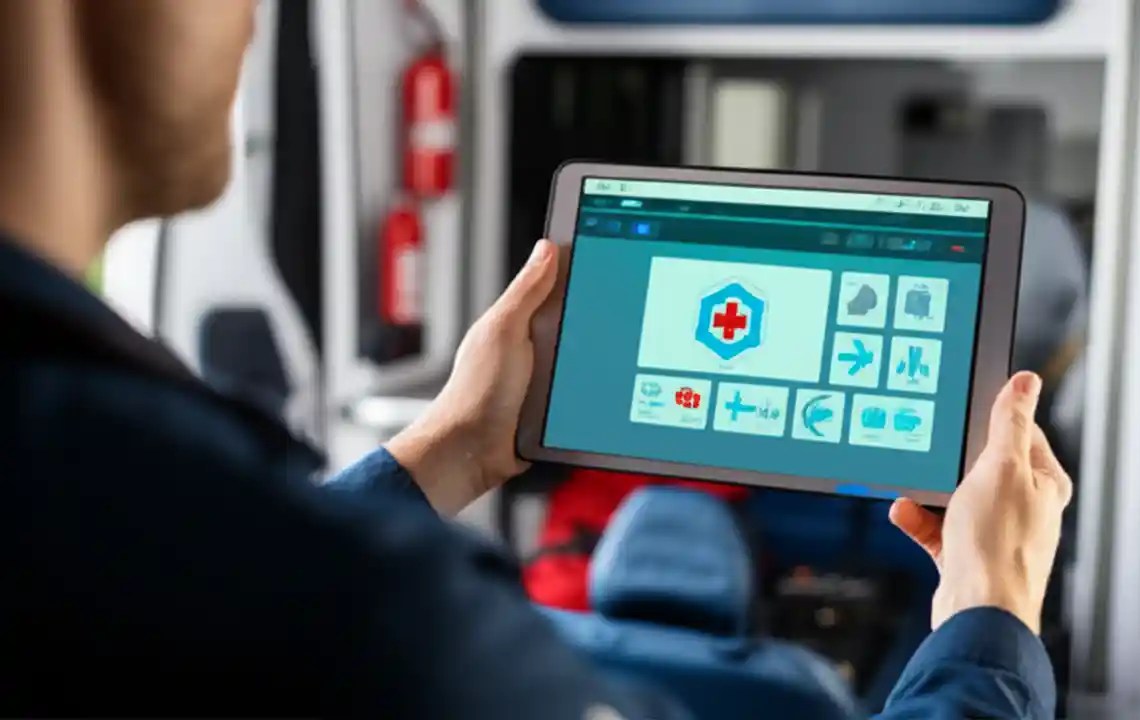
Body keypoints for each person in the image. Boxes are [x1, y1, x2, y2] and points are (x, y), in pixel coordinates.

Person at [0, 2, 1073, 718]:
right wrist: (991, 614)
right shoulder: (381, 624)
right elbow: (286, 599)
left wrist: (448, 451)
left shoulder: (93, 502)